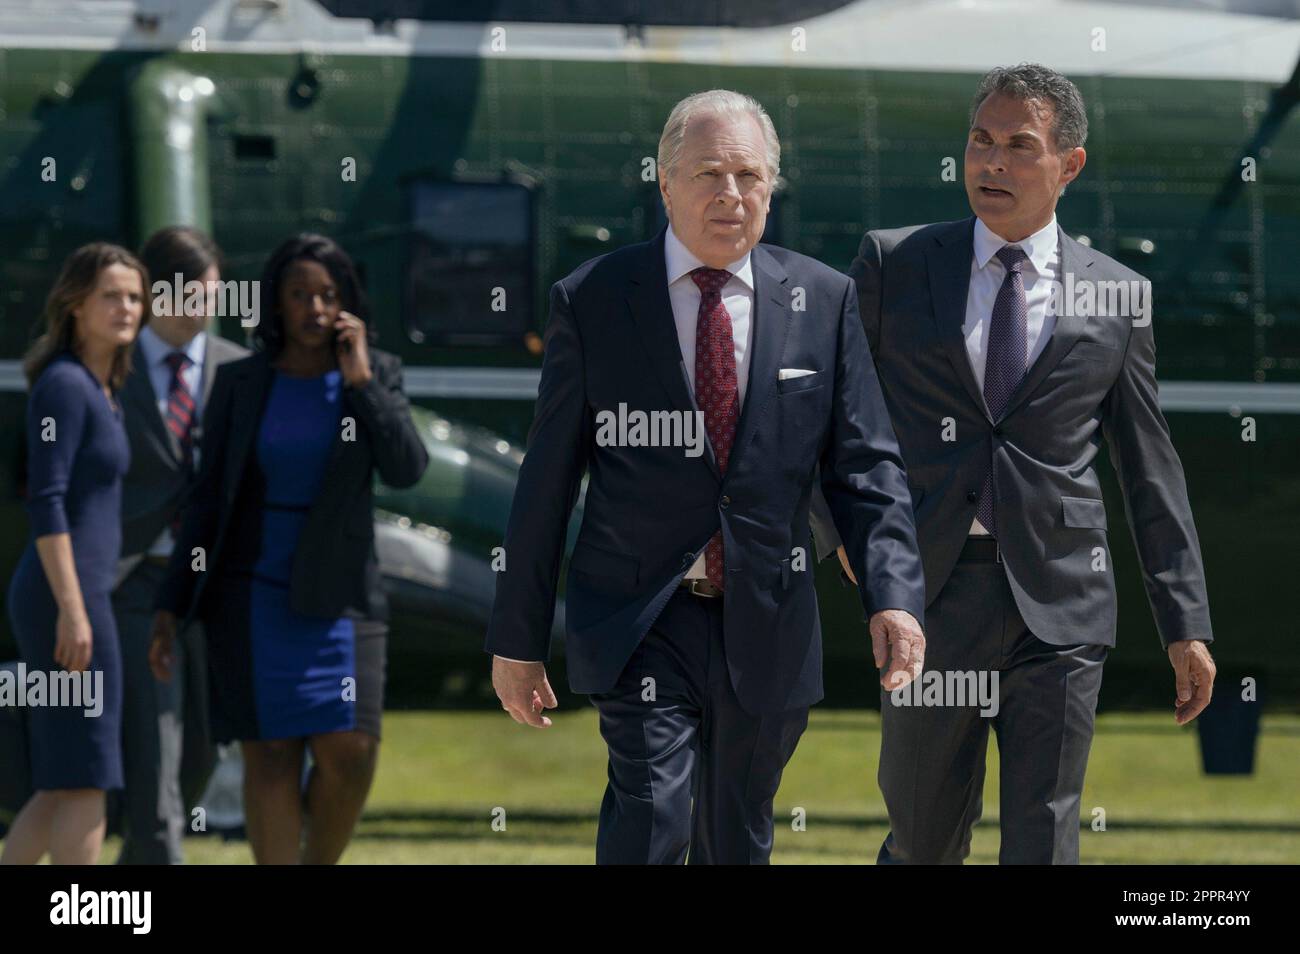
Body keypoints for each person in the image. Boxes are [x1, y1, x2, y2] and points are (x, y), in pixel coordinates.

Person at [486, 89, 927, 865]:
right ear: (664, 181)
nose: (731, 195)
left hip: (768, 616)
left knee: (737, 835)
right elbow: (548, 481)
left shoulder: (823, 301)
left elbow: (866, 465)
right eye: (709, 174)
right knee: (654, 817)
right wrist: (518, 641)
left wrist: (893, 597)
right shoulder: (593, 300)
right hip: (642, 618)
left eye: (750, 176)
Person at [811, 63, 1217, 864]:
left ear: (1069, 165)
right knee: (925, 837)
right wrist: (844, 534)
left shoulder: (1117, 297)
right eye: (980, 141)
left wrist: (1186, 624)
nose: (990, 163)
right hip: (929, 594)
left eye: (1017, 146)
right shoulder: (894, 265)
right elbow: (831, 416)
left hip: (1063, 603)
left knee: (1044, 837)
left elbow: (1149, 471)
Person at [149, 233, 429, 864]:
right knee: (270, 754)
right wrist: (172, 603)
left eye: (328, 295)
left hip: (342, 596)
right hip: (250, 596)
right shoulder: (241, 381)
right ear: (274, 303)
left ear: (347, 303)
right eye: (298, 294)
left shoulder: (376, 373)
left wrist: (360, 383)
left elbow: (408, 467)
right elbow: (206, 499)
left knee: (349, 751)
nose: (314, 308)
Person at [2, 243, 146, 865]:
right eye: (111, 294)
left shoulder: (99, 386)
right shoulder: (63, 385)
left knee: (64, 775)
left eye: (136, 296)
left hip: (74, 598)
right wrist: (73, 609)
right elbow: (47, 501)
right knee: (88, 771)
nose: (127, 307)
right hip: (67, 601)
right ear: (75, 303)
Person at [112, 226, 249, 864]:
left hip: (209, 590)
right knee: (158, 750)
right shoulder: (107, 364)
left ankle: (122, 884)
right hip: (134, 581)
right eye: (196, 293)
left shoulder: (234, 369)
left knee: (200, 751)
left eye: (214, 294)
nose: (207, 307)